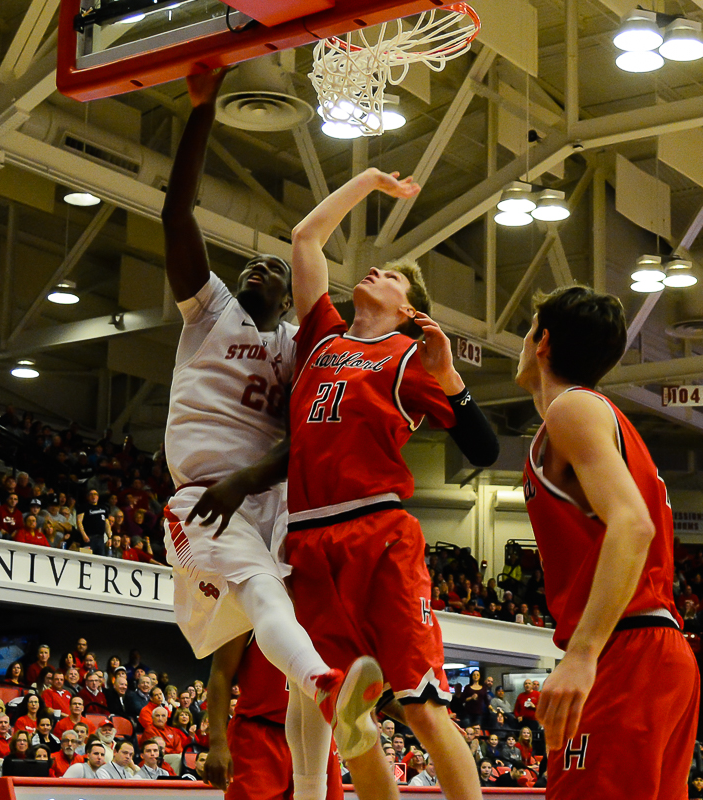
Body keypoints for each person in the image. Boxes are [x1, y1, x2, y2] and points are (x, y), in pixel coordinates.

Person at [202, 164, 499, 800]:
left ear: (407, 306)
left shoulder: (410, 360)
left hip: (378, 531)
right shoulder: (321, 337)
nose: (375, 271)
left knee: (420, 706)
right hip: (309, 539)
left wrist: (451, 378)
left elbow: (484, 447)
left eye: (390, 274)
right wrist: (367, 180)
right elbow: (306, 238)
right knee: (346, 713)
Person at [157, 68, 375, 795]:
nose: (260, 266)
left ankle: (320, 722)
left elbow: (309, 438)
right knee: (263, 602)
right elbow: (175, 213)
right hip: (202, 496)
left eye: (274, 268)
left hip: (264, 495)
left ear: (287, 295)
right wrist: (201, 110)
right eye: (252, 261)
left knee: (290, 614)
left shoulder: (293, 346)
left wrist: (255, 480)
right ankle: (326, 683)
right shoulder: (208, 310)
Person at [514, 285, 699, 799]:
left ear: (543, 341)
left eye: (527, 330)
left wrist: (582, 654)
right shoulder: (592, 415)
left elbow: (633, 526)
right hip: (655, 647)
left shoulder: (572, 409)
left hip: (627, 648)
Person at [204, 634, 344, 800]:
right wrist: (217, 743)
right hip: (258, 736)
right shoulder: (248, 613)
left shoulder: (329, 613)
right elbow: (220, 673)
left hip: (318, 734)